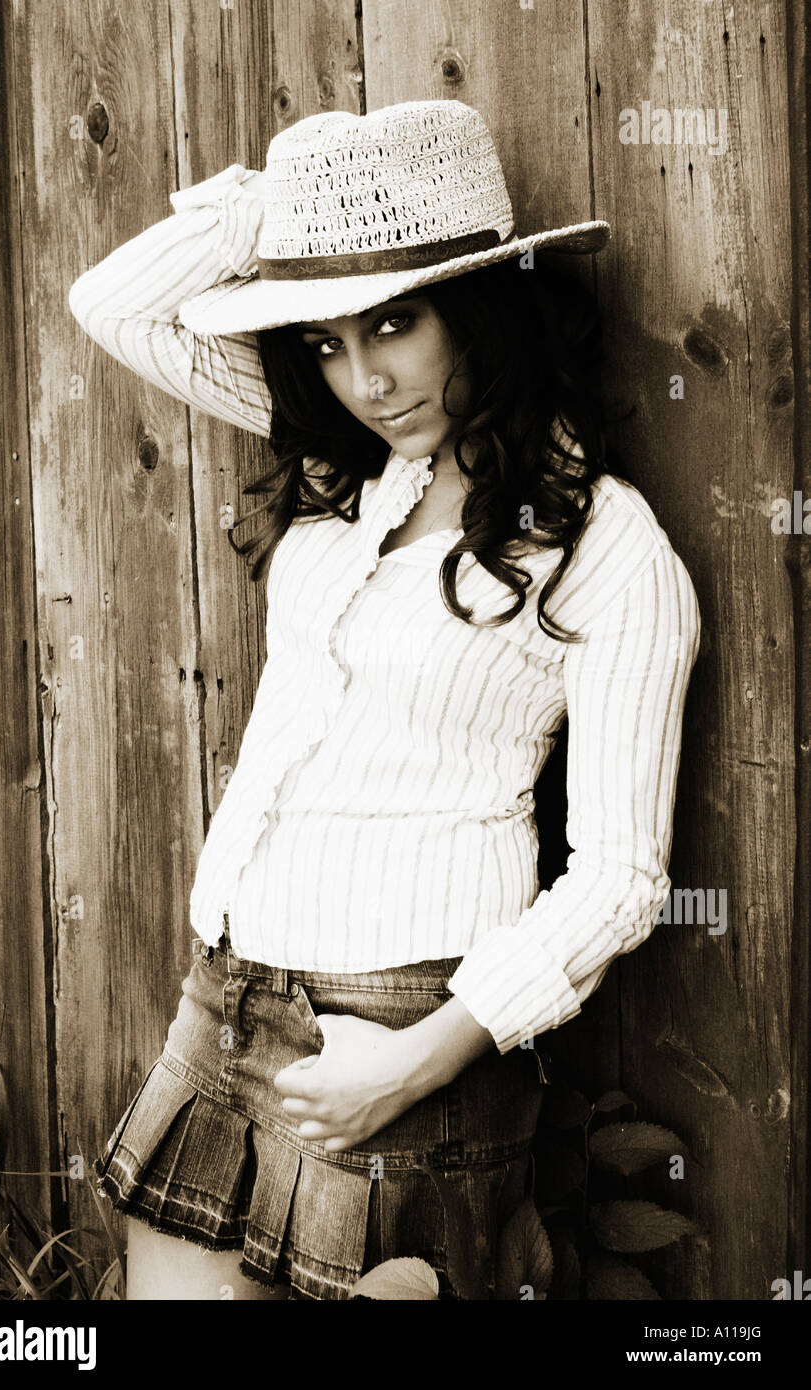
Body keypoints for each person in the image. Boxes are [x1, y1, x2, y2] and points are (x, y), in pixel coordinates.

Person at [68, 99, 701, 1301]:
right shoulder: (352, 471)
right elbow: (111, 306)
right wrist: (281, 210)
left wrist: (414, 1062)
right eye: (322, 338)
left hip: (404, 1025)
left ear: (485, 308)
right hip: (229, 994)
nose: (363, 376)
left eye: (397, 321)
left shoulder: (603, 545)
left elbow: (619, 874)